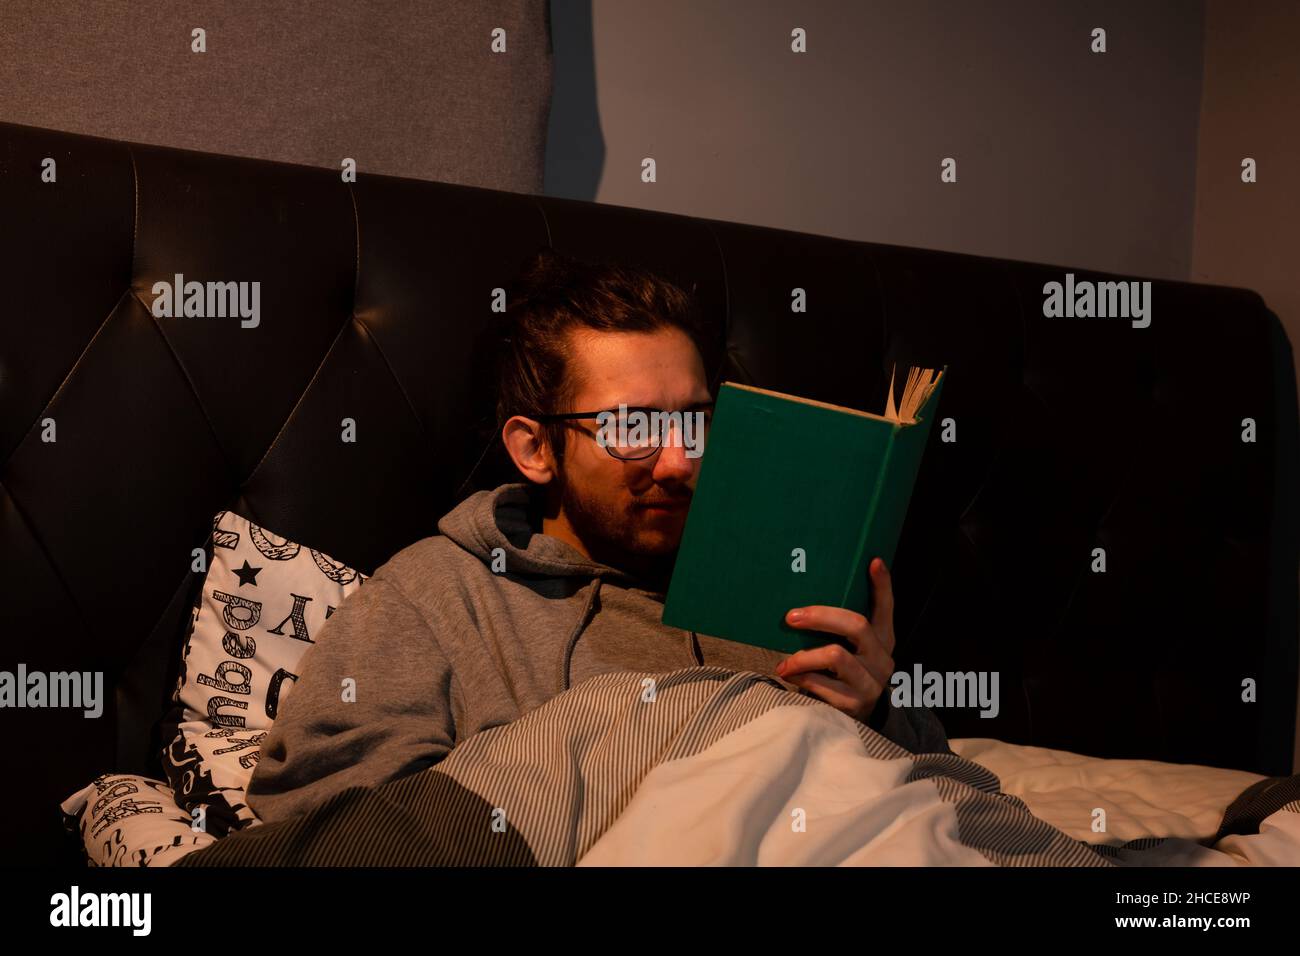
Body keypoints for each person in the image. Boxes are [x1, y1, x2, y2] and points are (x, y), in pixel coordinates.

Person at [246, 249, 950, 826]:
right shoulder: (435, 592)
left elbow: (948, 795)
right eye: (631, 429)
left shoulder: (780, 574)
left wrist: (878, 710)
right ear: (535, 450)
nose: (679, 463)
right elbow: (323, 812)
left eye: (697, 423)